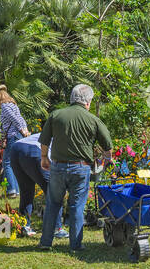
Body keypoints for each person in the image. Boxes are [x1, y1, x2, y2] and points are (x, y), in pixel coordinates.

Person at [38, 84, 112, 252]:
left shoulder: (56, 115)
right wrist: (108, 159)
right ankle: (76, 245)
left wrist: (44, 158)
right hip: (81, 168)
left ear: (71, 98)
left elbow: (44, 140)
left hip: (57, 167)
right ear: (88, 101)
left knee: (53, 203)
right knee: (77, 206)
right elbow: (107, 144)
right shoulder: (92, 119)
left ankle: (45, 243)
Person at [0, 85, 28, 199]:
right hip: (18, 135)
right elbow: (20, 118)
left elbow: (15, 120)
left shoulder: (5, 106)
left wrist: (22, 130)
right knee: (14, 163)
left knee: (7, 162)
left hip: (12, 136)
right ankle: (17, 190)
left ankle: (11, 190)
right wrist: (25, 130)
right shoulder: (13, 104)